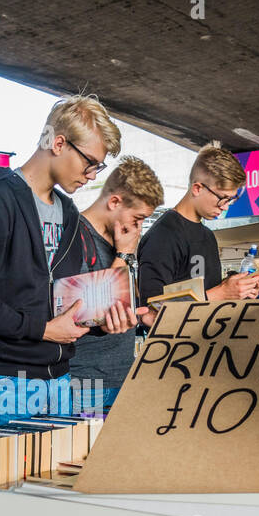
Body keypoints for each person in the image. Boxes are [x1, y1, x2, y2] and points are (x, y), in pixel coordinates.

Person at [0, 95, 137, 428]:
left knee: (57, 480)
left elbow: (60, 304)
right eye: (89, 162)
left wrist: (100, 324)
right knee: (0, 482)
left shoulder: (69, 212)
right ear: (59, 143)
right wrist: (43, 330)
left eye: (99, 167)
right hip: (2, 382)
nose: (92, 176)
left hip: (60, 381)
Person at [69, 156, 164, 412]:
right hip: (86, 381)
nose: (139, 227)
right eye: (137, 218)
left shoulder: (122, 241)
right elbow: (94, 310)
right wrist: (123, 255)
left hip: (121, 376)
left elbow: (130, 305)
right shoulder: (75, 236)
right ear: (114, 202)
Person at [137, 144, 259, 305]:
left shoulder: (207, 235)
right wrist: (221, 293)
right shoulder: (163, 235)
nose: (224, 207)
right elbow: (150, 309)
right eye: (222, 198)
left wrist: (236, 288)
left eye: (230, 200)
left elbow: (206, 289)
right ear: (197, 188)